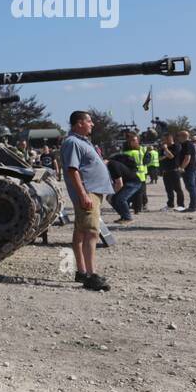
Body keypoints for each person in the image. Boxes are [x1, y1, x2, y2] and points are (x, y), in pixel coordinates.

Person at [61, 111, 113, 291]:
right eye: (89, 121)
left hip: (92, 191)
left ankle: (82, 271)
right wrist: (83, 194)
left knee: (82, 232)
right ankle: (91, 275)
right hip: (88, 191)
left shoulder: (82, 142)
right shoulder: (73, 142)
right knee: (91, 232)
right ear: (79, 123)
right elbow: (72, 170)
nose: (92, 124)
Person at [107, 153, 141, 222]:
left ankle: (128, 218)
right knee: (113, 199)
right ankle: (124, 216)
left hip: (133, 182)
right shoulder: (110, 165)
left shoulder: (112, 165)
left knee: (120, 199)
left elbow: (119, 183)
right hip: (128, 183)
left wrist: (112, 194)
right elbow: (115, 183)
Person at [120, 133, 149, 212]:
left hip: (141, 174)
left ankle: (140, 206)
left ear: (138, 141)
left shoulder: (143, 149)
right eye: (131, 141)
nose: (133, 142)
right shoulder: (126, 151)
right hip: (130, 174)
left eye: (134, 140)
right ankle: (132, 206)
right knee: (130, 191)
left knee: (141, 192)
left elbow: (147, 160)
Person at [158, 133, 185, 209]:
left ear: (170, 138)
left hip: (174, 170)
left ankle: (181, 205)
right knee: (168, 189)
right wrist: (165, 154)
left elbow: (171, 156)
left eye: (165, 139)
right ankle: (170, 204)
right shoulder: (162, 148)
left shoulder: (176, 146)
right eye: (163, 139)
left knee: (177, 189)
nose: (164, 141)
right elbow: (159, 158)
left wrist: (166, 150)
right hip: (165, 171)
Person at [177, 129, 196, 212]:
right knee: (193, 188)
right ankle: (195, 206)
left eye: (179, 136)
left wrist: (182, 167)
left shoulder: (187, 144)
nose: (178, 137)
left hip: (190, 169)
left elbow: (187, 157)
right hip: (193, 169)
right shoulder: (187, 144)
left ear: (184, 136)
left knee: (191, 187)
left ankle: (192, 207)